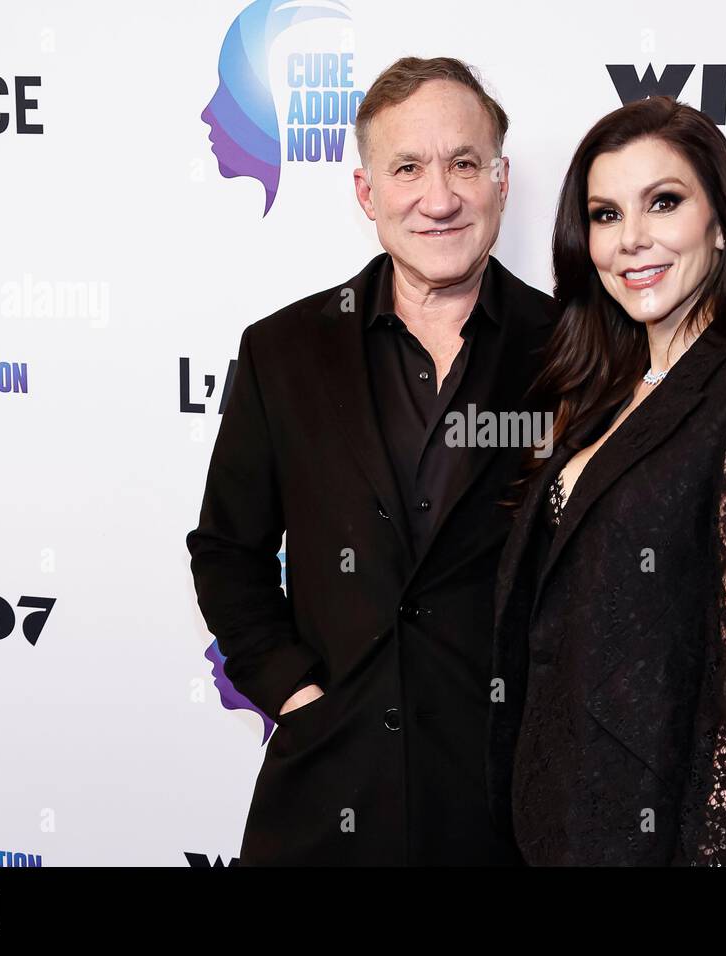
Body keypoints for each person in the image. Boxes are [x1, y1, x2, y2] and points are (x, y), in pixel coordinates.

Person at [187, 56, 557, 865]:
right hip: (326, 794)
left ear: (501, 179)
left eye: (464, 163)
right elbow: (225, 551)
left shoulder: (573, 352)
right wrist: (296, 694)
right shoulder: (283, 351)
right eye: (408, 168)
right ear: (366, 193)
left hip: (506, 810)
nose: (439, 197)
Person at [486, 95, 726, 866]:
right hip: (541, 816)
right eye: (605, 215)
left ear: (718, 221)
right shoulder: (599, 387)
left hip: (646, 836)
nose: (631, 240)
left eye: (663, 203)